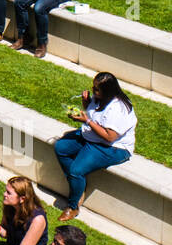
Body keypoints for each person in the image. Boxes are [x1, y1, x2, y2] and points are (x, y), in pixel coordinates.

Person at [53, 72, 137, 220]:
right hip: (92, 138)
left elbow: (110, 136)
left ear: (108, 90)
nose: (93, 90)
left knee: (76, 170)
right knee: (61, 147)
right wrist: (86, 104)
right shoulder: (100, 98)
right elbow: (94, 115)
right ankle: (77, 185)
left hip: (113, 148)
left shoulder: (119, 108)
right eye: (93, 87)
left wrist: (87, 121)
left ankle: (73, 206)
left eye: (97, 89)